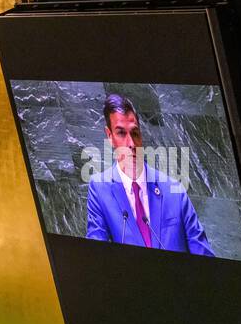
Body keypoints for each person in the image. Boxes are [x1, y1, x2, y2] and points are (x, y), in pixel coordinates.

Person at [85, 94, 214, 255]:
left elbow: (204, 257)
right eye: (121, 133)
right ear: (109, 136)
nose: (131, 144)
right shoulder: (99, 189)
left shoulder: (174, 190)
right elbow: (97, 257)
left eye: (135, 133)